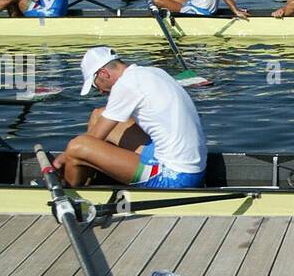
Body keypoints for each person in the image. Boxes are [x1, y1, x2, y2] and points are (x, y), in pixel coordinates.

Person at [53, 46, 207, 189]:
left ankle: (70, 191)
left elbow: (93, 138)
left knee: (77, 146)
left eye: (95, 85)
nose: (99, 91)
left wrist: (63, 158)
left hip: (175, 178)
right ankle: (86, 172)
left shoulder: (126, 85)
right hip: (190, 165)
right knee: (98, 115)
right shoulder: (153, 71)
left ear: (103, 73)